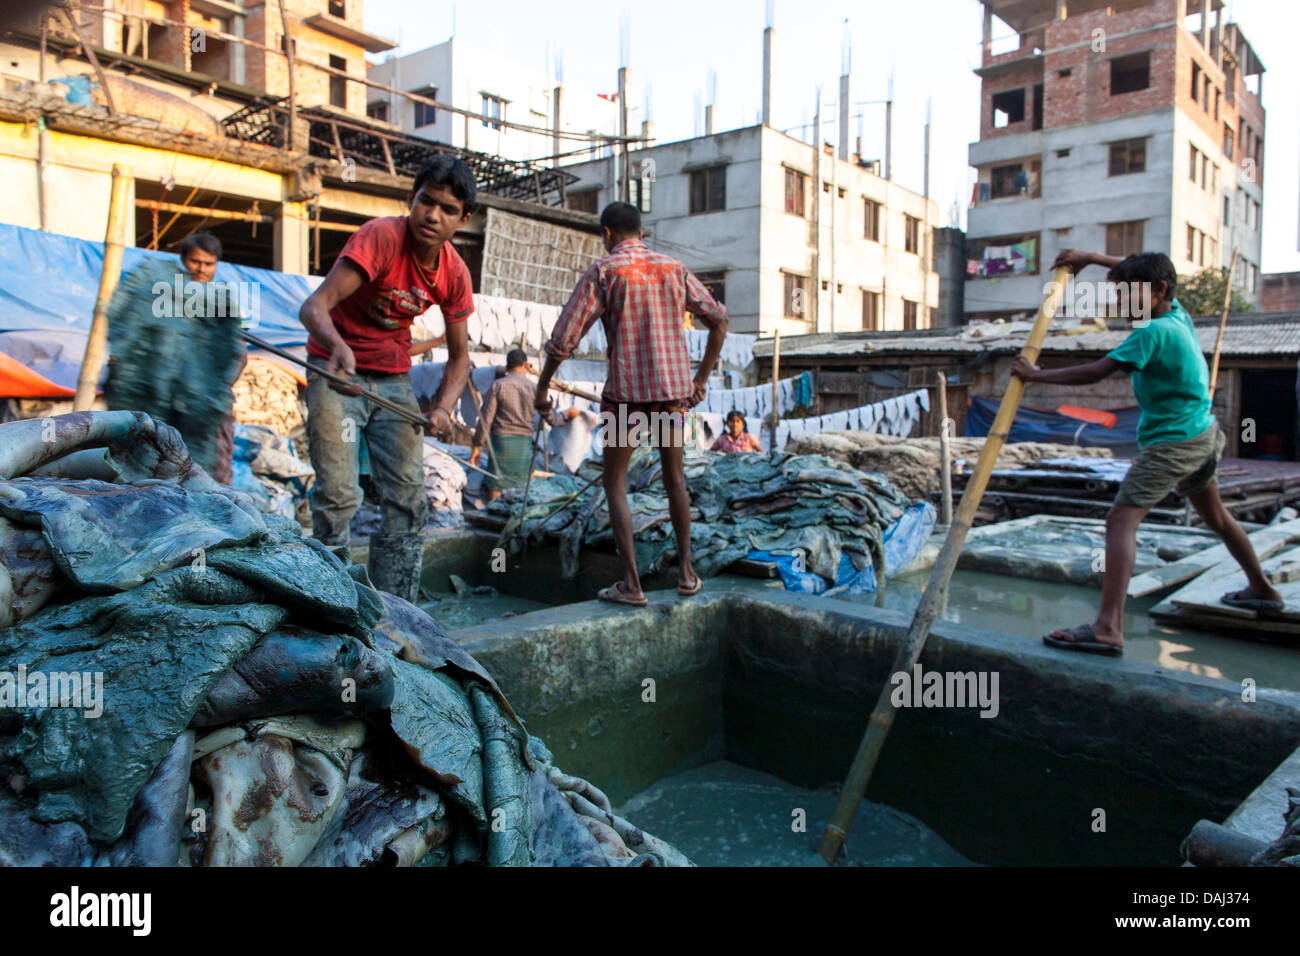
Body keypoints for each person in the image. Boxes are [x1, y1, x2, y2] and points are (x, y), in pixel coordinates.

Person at [1013, 249, 1282, 655]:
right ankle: (1262, 588)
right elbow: (1146, 269)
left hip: (1174, 442)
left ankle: (1108, 627)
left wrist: (1036, 376)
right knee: (1218, 517)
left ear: (1156, 292)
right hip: (1203, 433)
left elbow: (1095, 372)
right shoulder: (1177, 314)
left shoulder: (1152, 332)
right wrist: (1090, 257)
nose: (1122, 304)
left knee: (1120, 521)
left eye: (1127, 296)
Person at [298, 156, 476, 603]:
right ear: (411, 200)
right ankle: (329, 605)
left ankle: (393, 609)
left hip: (394, 377)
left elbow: (459, 360)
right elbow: (313, 308)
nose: (433, 216)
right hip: (336, 371)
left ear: (463, 219)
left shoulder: (454, 273)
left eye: (447, 210)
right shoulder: (380, 237)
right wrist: (338, 348)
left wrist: (441, 409)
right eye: (425, 202)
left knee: (408, 501)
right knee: (339, 495)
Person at [535, 201, 728, 606]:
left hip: (626, 398)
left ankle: (632, 585)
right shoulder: (673, 268)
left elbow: (563, 339)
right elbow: (719, 319)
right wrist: (701, 379)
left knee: (615, 482)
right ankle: (688, 575)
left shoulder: (605, 271)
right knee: (675, 480)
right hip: (673, 396)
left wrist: (541, 387)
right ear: (641, 232)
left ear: (606, 233)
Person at [106, 230, 244, 483]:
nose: (201, 269)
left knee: (199, 466)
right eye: (195, 262)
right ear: (183, 259)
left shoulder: (219, 302)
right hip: (149, 392)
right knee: (142, 458)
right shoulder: (153, 278)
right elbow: (119, 311)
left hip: (199, 403)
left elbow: (232, 352)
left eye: (209, 264)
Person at [471, 347, 580, 500]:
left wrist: (477, 445)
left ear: (508, 366)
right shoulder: (535, 388)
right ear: (525, 365)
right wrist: (567, 415)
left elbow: (485, 418)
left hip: (501, 442)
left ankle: (493, 513)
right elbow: (552, 418)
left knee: (497, 482)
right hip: (523, 444)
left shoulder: (498, 385)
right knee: (521, 485)